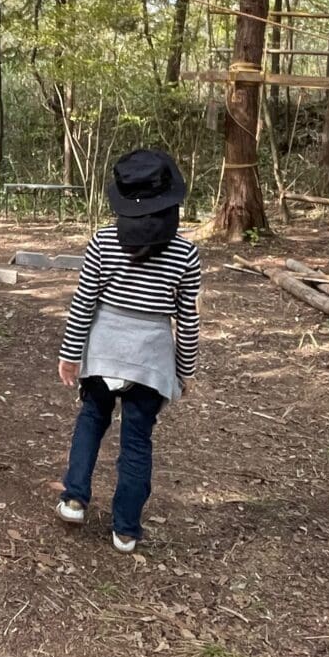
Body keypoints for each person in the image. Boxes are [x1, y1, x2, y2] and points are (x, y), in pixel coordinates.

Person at [54, 149, 203, 553]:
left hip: (102, 354)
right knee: (137, 441)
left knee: (91, 419)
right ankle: (126, 528)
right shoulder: (186, 254)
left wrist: (70, 354)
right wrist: (184, 370)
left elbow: (85, 301)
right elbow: (186, 321)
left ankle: (74, 497)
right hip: (151, 363)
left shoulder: (102, 241)